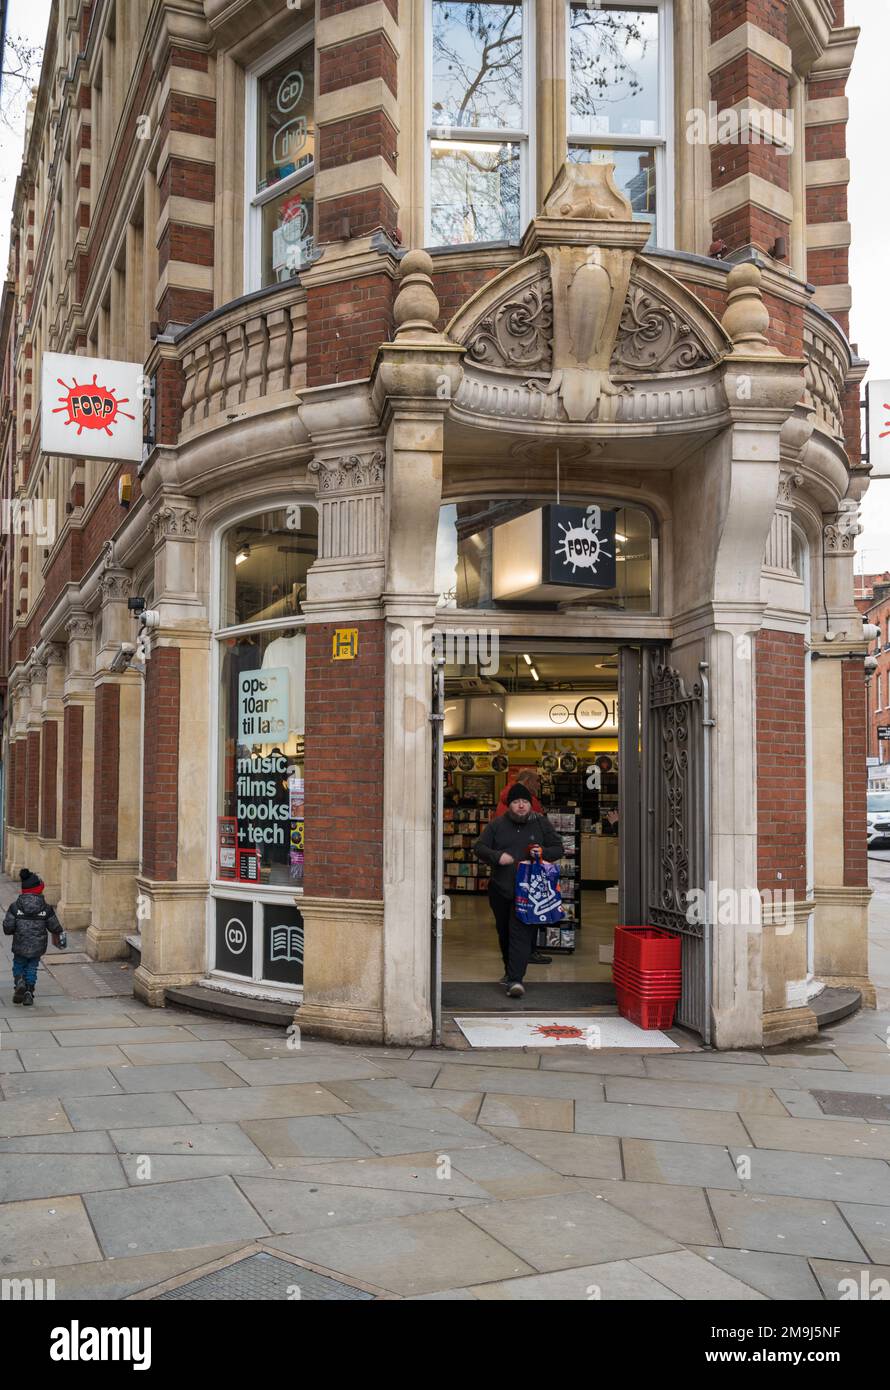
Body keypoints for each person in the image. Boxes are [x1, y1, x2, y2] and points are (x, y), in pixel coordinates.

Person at [474, 784, 565, 997]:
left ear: (530, 804)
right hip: (500, 889)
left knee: (520, 934)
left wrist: (543, 852)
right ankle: (510, 972)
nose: (521, 805)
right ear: (510, 805)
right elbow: (479, 847)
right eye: (516, 802)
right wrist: (497, 857)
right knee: (504, 933)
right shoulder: (497, 825)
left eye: (524, 801)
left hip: (530, 893)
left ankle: (516, 980)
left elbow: (558, 848)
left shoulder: (541, 824)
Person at [3, 869, 63, 1007]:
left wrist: (12, 929)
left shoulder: (15, 906)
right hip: (37, 946)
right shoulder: (46, 908)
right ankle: (29, 991)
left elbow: (8, 927)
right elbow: (54, 926)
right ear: (39, 890)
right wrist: (59, 933)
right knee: (32, 967)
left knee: (18, 964)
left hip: (20, 944)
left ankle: (19, 982)